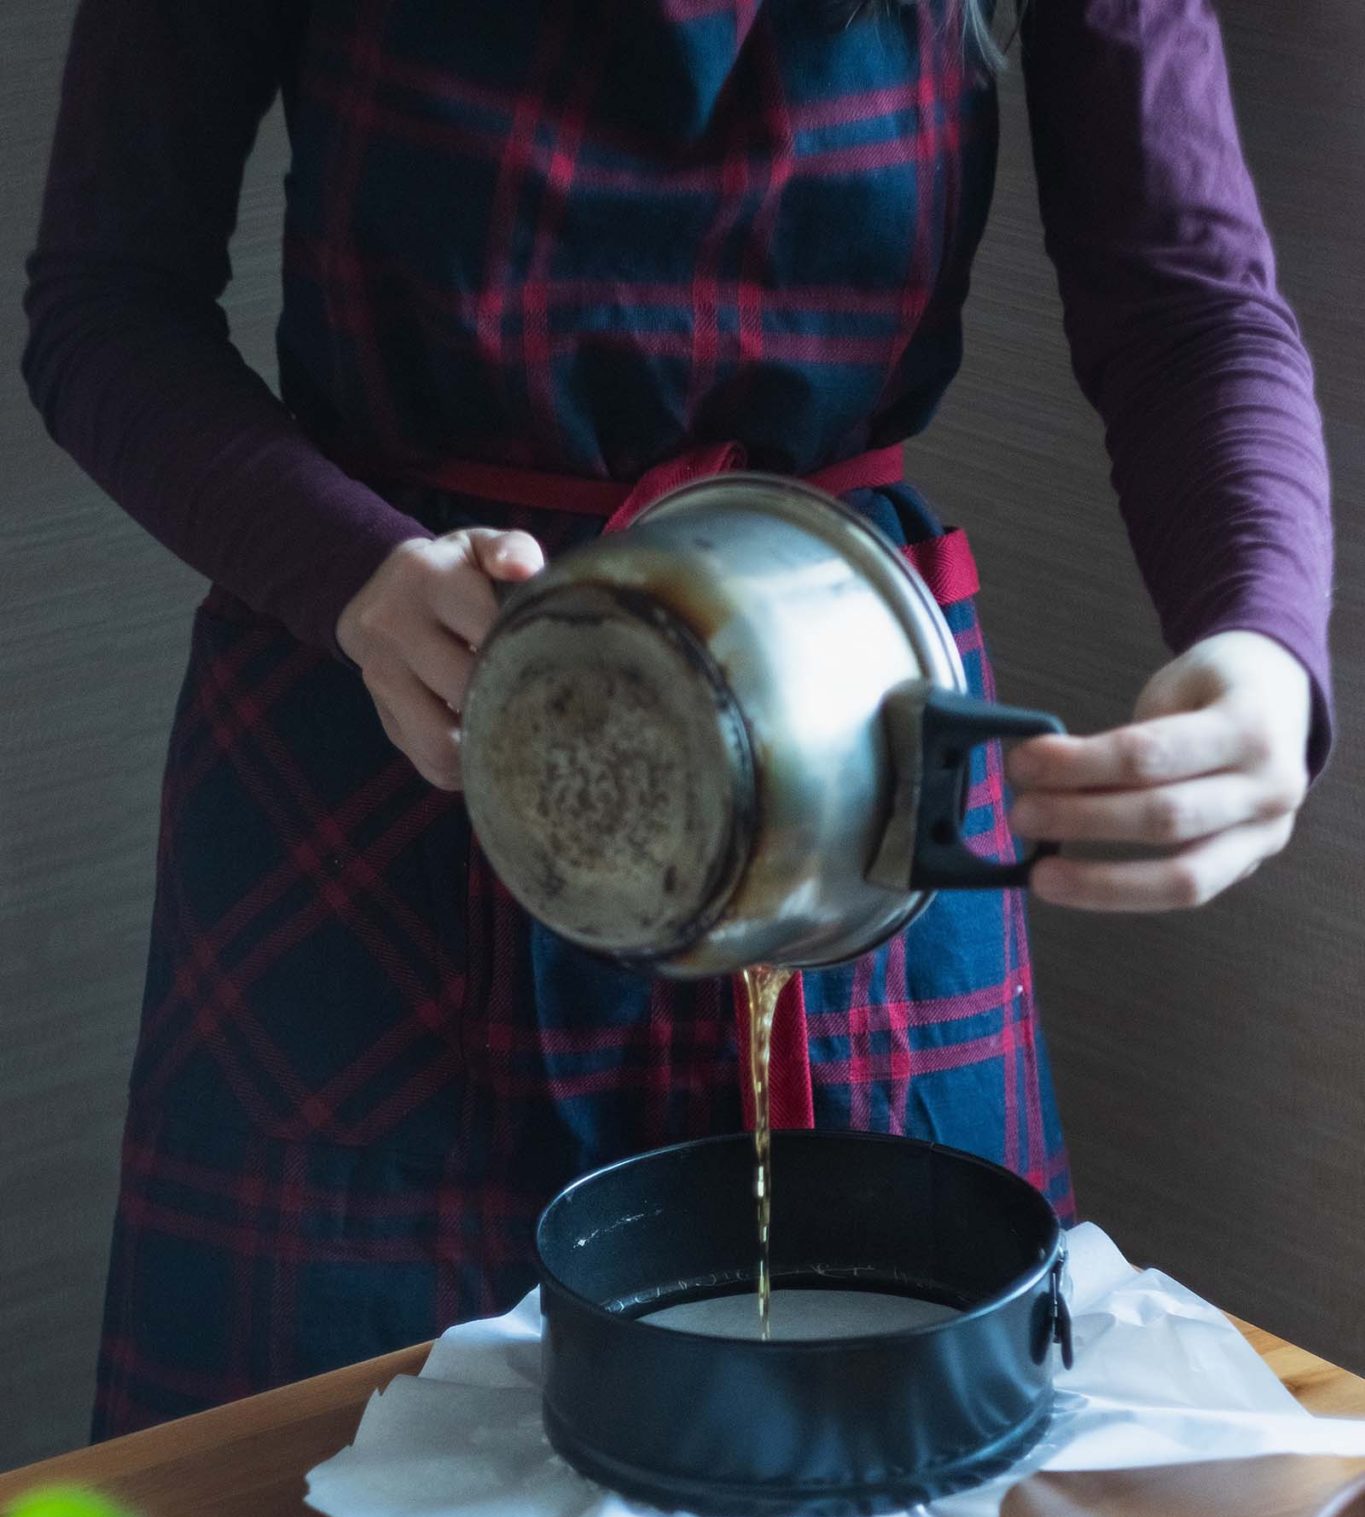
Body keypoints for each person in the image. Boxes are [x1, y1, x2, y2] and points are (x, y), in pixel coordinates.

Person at [25, 0, 1330, 1439]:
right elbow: (106, 303)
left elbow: (1186, 308)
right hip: (377, 770)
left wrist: (1258, 642)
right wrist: (351, 577)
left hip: (850, 770)